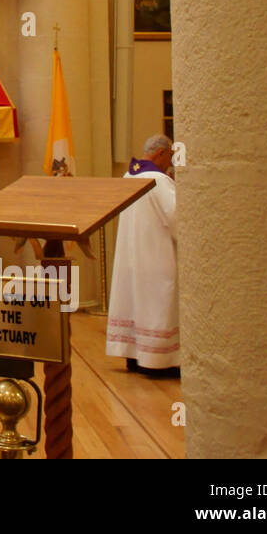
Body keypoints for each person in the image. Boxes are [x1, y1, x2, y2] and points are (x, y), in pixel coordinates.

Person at [106, 134, 180, 375]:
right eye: (170, 155)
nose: (171, 161)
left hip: (132, 256)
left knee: (135, 303)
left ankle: (134, 356)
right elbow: (178, 219)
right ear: (160, 153)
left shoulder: (130, 176)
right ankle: (159, 362)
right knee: (157, 305)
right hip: (155, 256)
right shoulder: (158, 181)